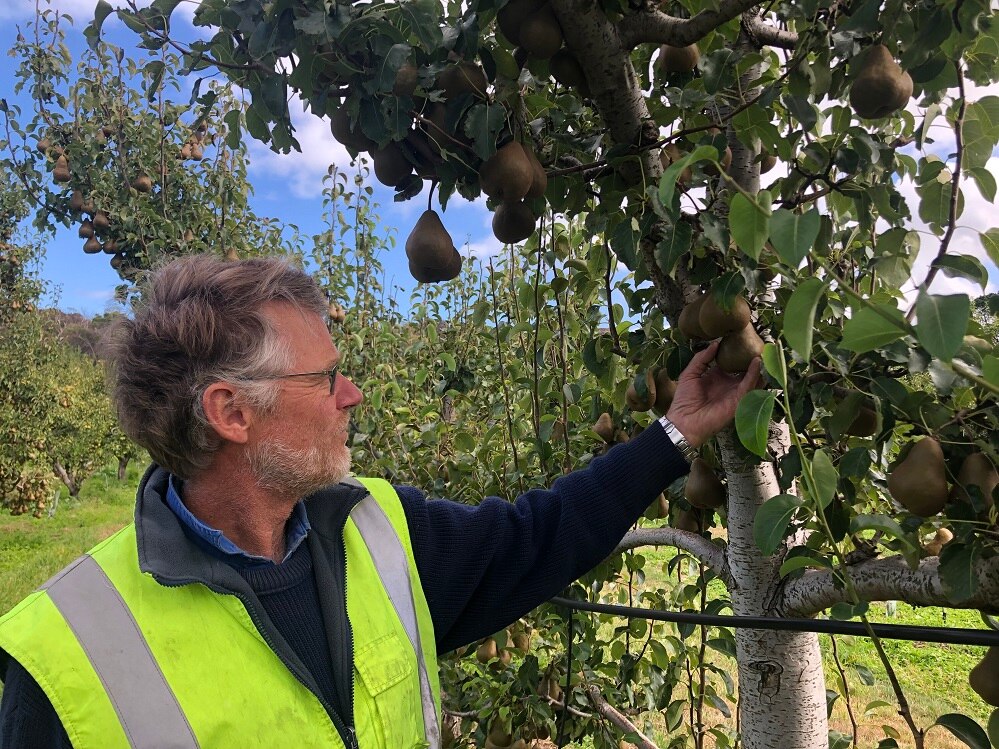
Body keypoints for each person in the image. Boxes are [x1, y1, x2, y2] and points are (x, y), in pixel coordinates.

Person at [0, 256, 760, 749]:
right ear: (232, 412)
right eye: (326, 378)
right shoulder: (67, 656)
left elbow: (542, 535)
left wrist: (673, 434)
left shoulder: (376, 528)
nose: (353, 394)